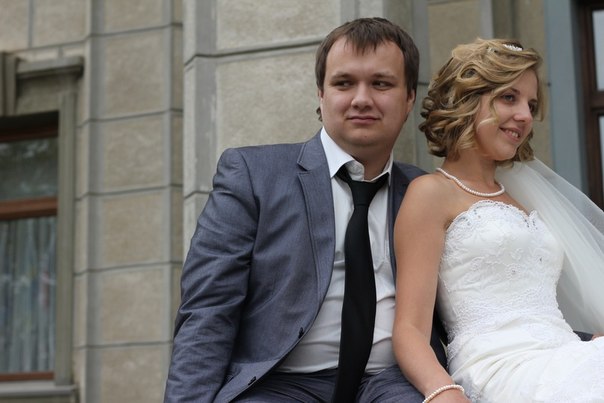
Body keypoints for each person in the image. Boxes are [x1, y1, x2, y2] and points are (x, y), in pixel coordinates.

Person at [164, 17, 447, 403]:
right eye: (344, 83)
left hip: (393, 383)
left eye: (381, 84)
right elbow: (209, 309)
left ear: (409, 98)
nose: (361, 99)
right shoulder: (252, 176)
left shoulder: (425, 192)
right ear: (321, 93)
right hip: (279, 385)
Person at [392, 37, 604, 402]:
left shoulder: (523, 194)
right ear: (467, 100)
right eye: (509, 97)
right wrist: (442, 390)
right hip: (499, 368)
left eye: (531, 105)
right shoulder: (430, 193)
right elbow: (410, 328)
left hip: (562, 355)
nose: (525, 115)